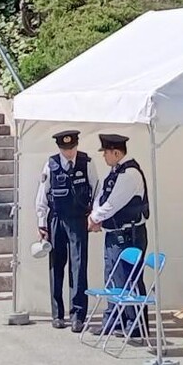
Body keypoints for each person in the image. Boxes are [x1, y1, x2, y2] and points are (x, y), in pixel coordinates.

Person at [89, 133, 150, 335]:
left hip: (129, 235)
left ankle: (136, 325)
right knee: (113, 279)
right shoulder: (115, 172)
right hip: (115, 233)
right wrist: (95, 217)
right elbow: (101, 197)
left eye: (106, 152)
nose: (104, 156)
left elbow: (113, 203)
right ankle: (115, 320)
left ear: (116, 153)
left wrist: (95, 219)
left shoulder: (129, 174)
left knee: (129, 279)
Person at [34, 128, 93, 332]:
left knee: (78, 266)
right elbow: (42, 196)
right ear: (59, 148)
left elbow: (97, 188)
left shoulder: (87, 163)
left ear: (77, 145)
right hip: (56, 220)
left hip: (78, 220)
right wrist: (42, 223)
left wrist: (93, 215)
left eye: (72, 148)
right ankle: (57, 314)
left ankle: (78, 315)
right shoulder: (50, 165)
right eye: (65, 149)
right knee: (56, 266)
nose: (69, 152)